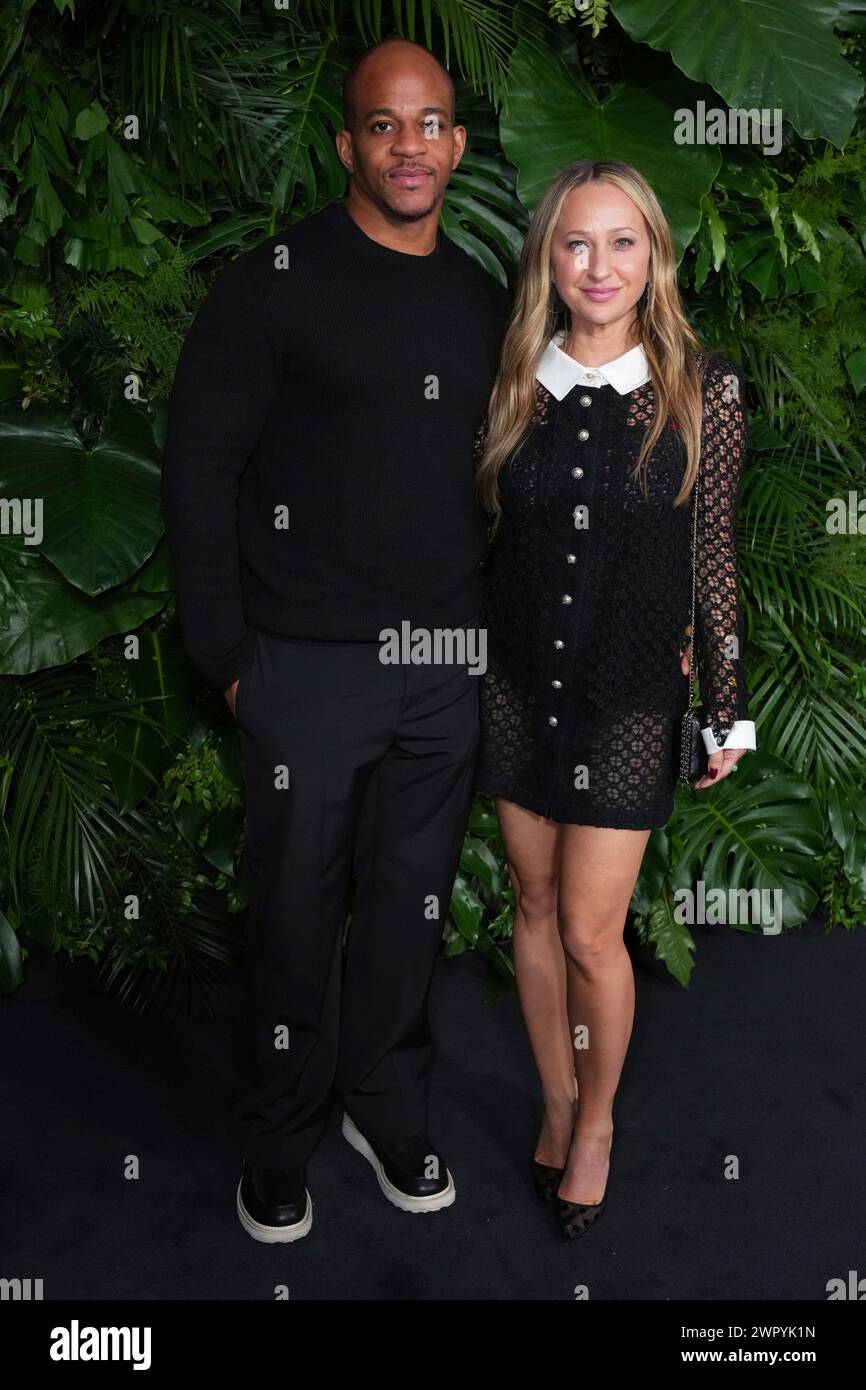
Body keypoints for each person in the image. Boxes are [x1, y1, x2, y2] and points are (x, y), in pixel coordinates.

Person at [160, 36, 510, 1242]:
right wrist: (228, 654)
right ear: (345, 140)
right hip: (302, 661)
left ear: (456, 145)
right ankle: (279, 1131)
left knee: (410, 902)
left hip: (442, 667)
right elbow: (198, 468)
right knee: (294, 913)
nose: (407, 146)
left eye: (429, 125)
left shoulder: (480, 297)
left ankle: (383, 1103)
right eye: (381, 124)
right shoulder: (272, 282)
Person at [472, 158, 755, 1240]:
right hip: (513, 682)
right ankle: (551, 1101)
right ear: (548, 254)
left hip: (631, 693)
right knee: (533, 913)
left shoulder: (701, 387)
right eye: (575, 242)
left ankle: (594, 1125)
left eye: (621, 242)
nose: (598, 265)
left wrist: (721, 701)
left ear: (653, 257)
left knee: (593, 933)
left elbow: (713, 554)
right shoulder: (513, 376)